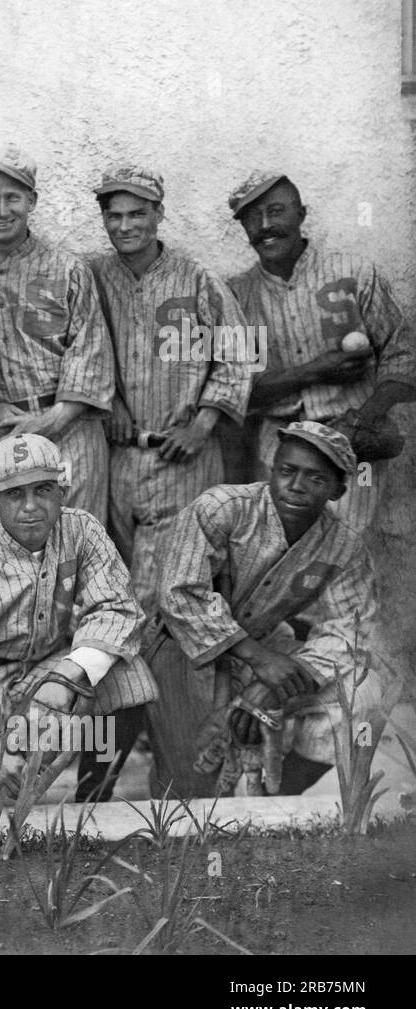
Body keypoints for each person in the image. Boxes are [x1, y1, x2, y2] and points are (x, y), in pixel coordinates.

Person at [0, 434, 157, 801]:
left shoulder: (82, 530)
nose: (30, 506)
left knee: (128, 675)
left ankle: (93, 802)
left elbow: (117, 609)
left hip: (47, 670)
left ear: (63, 488)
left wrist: (64, 678)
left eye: (43, 489)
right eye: (15, 494)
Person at [151, 421, 385, 798]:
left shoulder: (344, 545)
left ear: (338, 489)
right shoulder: (223, 508)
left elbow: (353, 629)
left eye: (315, 479)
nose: (296, 486)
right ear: (271, 470)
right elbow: (178, 595)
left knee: (364, 690)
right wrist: (259, 660)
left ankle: (275, 800)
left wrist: (279, 683)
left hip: (268, 647)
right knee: (189, 791)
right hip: (184, 650)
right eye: (287, 471)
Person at [89, 165, 252, 616]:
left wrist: (203, 425)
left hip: (184, 455)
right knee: (117, 574)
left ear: (159, 213)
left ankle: (158, 679)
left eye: (137, 213)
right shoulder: (93, 276)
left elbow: (237, 355)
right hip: (119, 453)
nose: (125, 226)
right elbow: (81, 349)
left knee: (172, 583)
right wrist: (111, 401)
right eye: (114, 215)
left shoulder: (197, 278)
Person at [227, 171, 416, 531]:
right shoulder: (235, 295)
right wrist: (318, 369)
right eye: (252, 217)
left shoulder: (355, 274)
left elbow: (404, 359)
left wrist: (363, 419)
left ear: (302, 213)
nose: (265, 225)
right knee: (281, 559)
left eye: (276, 211)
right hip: (276, 450)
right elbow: (236, 392)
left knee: (346, 550)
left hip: (355, 448)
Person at [0, 144, 113, 522]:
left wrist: (48, 421)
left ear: (32, 201)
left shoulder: (67, 269)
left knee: (75, 553)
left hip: (69, 432)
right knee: (4, 560)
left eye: (13, 198)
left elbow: (90, 353)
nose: (2, 210)